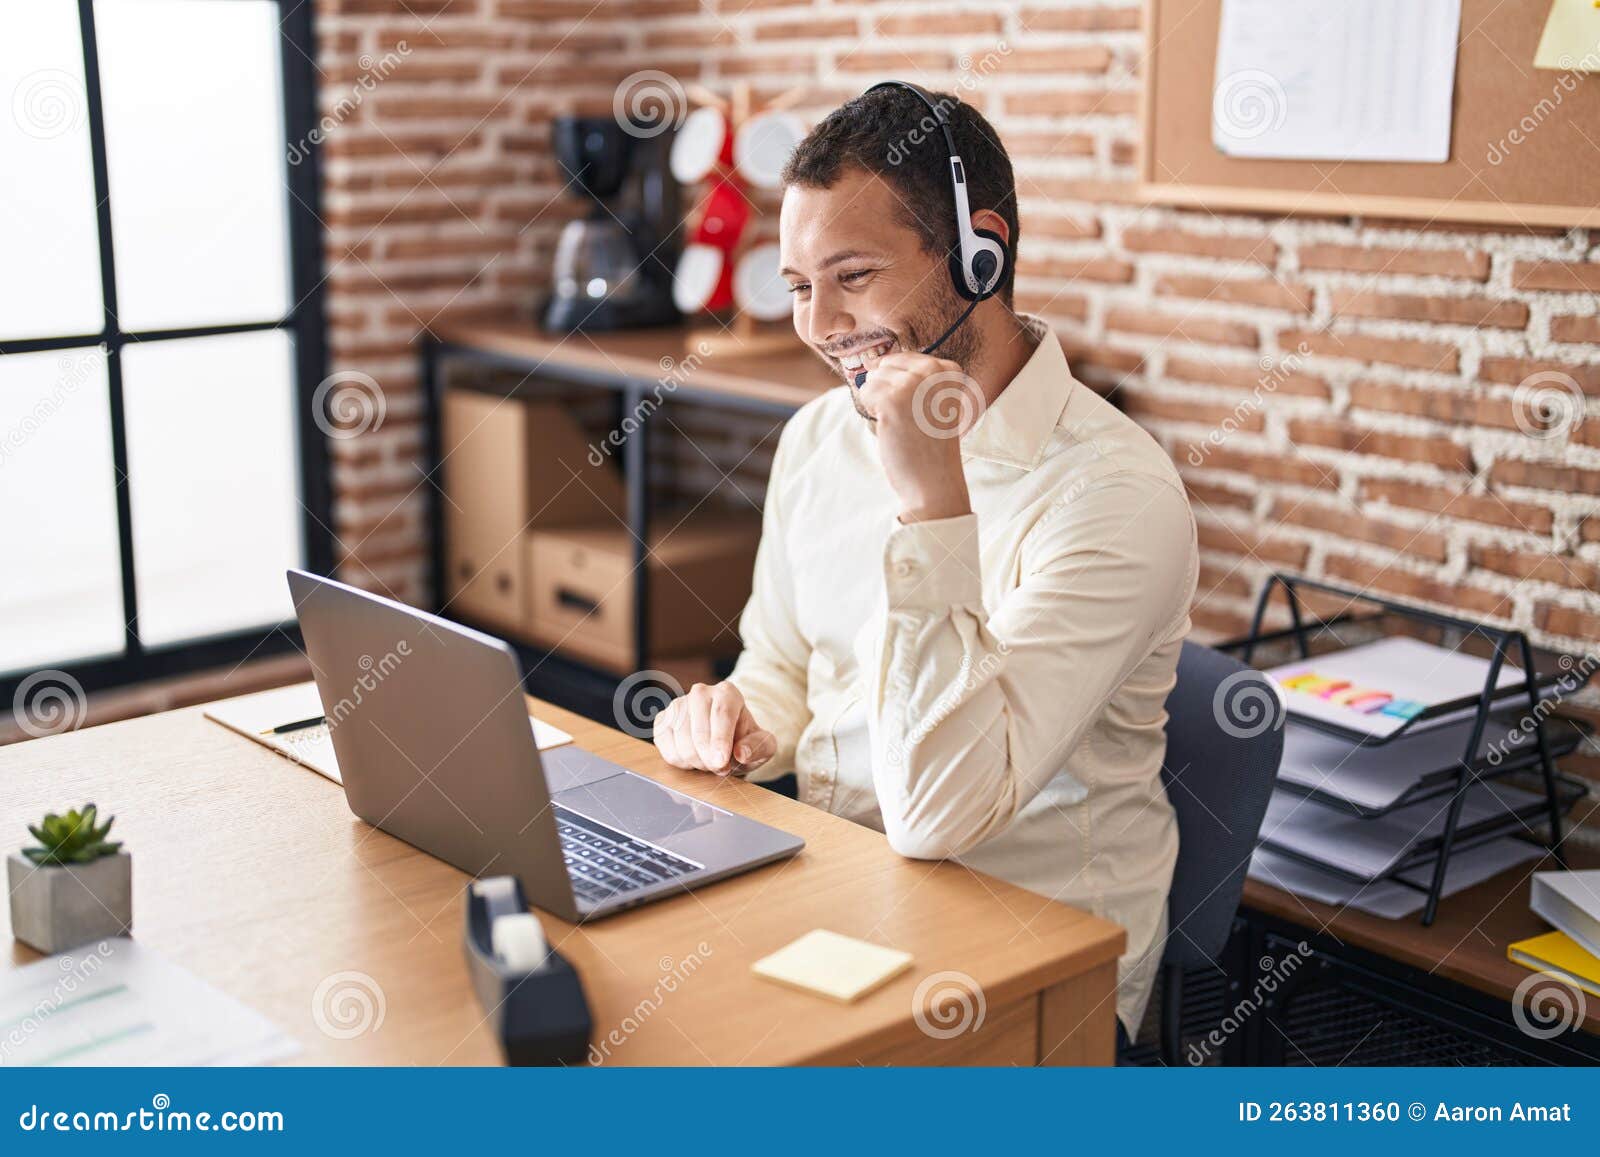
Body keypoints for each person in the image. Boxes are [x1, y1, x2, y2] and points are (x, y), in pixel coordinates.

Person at [650, 84, 1199, 1047]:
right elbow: (782, 664)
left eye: (854, 275)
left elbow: (939, 814)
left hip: (1035, 968)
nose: (820, 324)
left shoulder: (1115, 496)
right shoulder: (819, 437)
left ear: (980, 252)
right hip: (841, 898)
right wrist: (734, 720)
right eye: (797, 285)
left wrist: (932, 504)